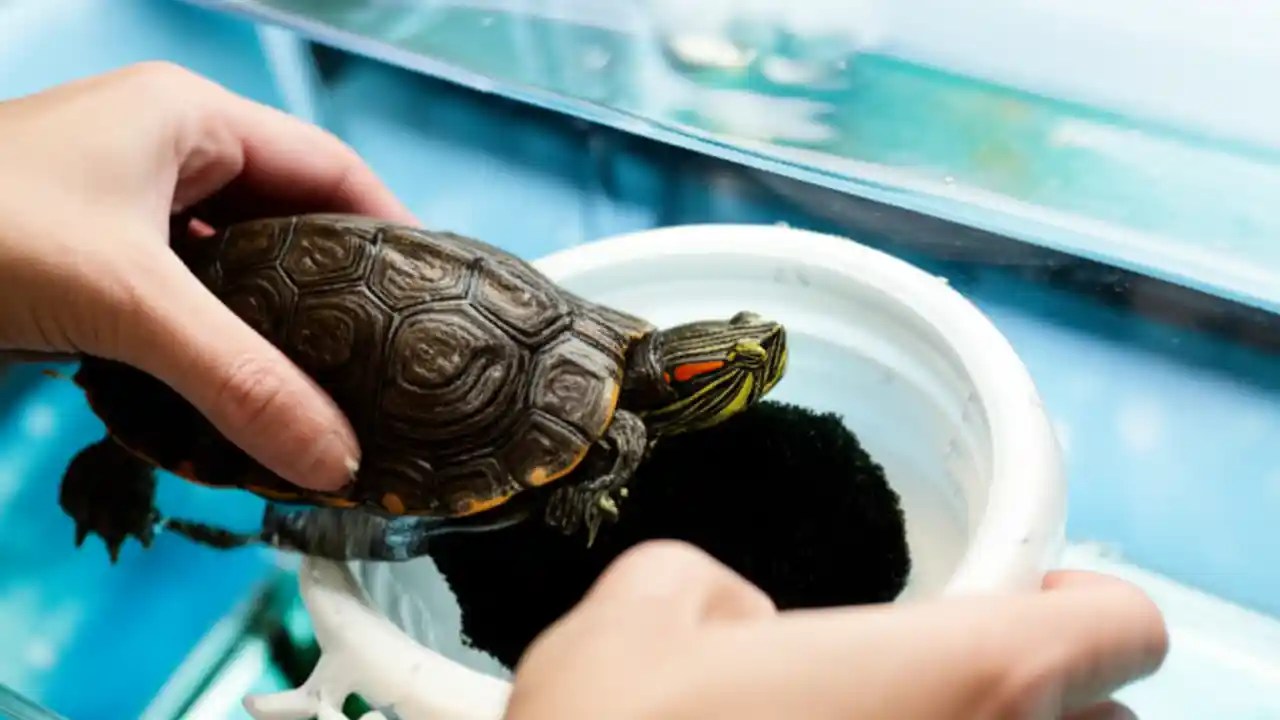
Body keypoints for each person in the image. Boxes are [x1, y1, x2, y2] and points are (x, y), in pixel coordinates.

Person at [0, 63, 1168, 719]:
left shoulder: (611, 369)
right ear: (680, 381)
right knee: (565, 478)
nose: (745, 361)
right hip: (263, 368)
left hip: (486, 349)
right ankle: (121, 458)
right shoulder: (604, 412)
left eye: (734, 365)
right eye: (725, 367)